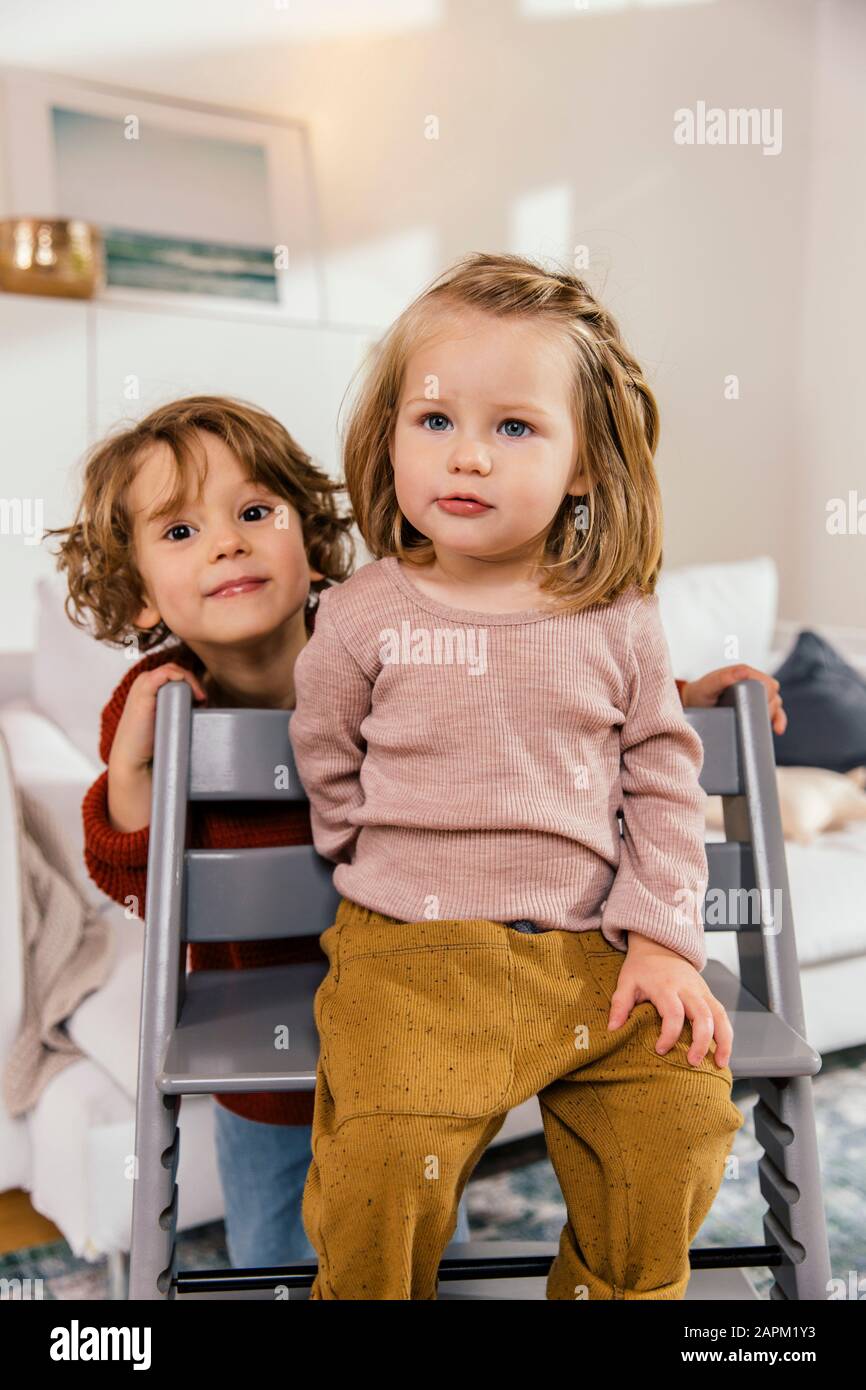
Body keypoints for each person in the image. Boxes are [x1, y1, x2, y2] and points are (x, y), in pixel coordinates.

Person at [288, 251, 781, 1300]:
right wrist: (356, 849)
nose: (465, 456)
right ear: (389, 434)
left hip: (595, 948)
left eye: (512, 427)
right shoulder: (364, 612)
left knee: (678, 1126)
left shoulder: (617, 618)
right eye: (433, 421)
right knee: (380, 1160)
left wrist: (659, 940)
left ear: (585, 463)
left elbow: (659, 780)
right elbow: (324, 751)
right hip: (413, 950)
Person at [43, 393, 472, 1264]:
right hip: (263, 1068)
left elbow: (510, 698)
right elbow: (135, 884)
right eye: (179, 532)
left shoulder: (383, 653)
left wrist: (668, 694)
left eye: (253, 512)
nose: (227, 542)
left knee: (427, 1249)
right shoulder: (156, 705)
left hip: (409, 1042)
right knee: (275, 1254)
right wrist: (133, 773)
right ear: (140, 602)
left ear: (312, 548)